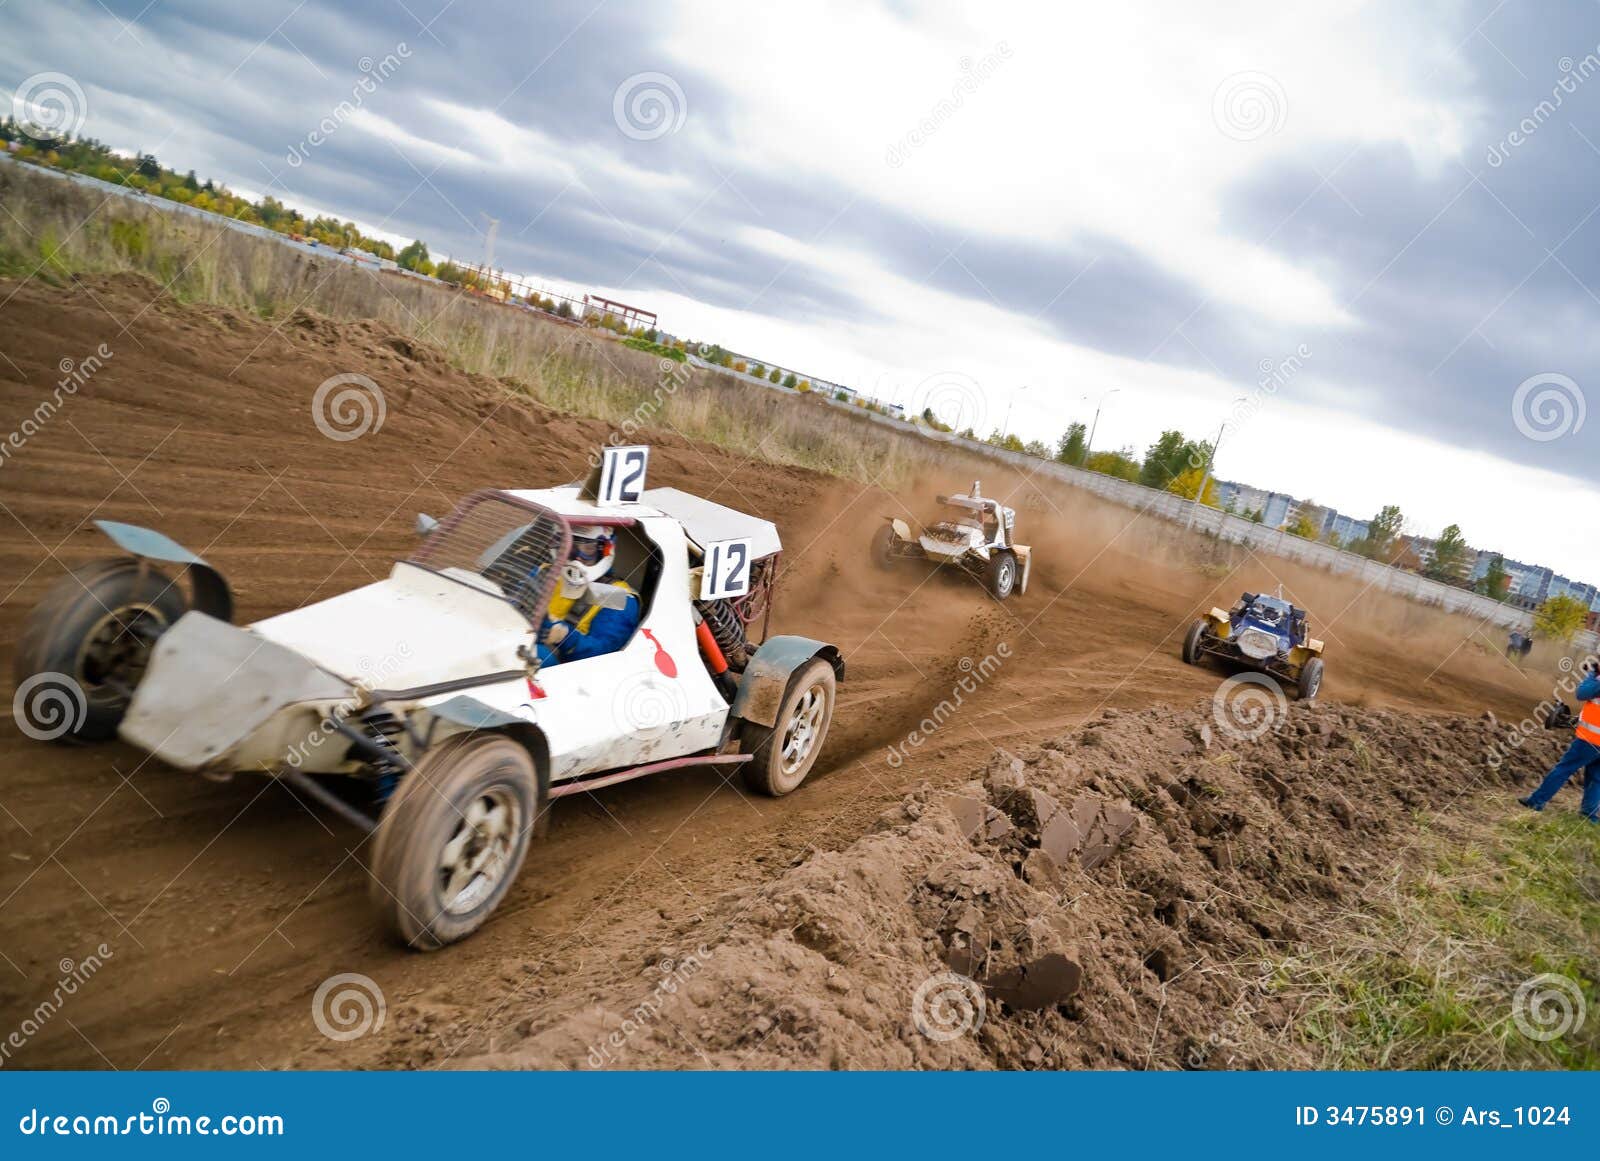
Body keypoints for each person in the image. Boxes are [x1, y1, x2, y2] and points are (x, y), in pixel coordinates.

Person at [535, 525, 640, 667]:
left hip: (567, 668)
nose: (577, 557)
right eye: (570, 548)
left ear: (605, 550)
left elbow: (602, 654)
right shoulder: (547, 572)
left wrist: (565, 637)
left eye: (588, 549)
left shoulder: (618, 595)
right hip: (525, 641)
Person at [1520, 661, 1600, 821]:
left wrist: (1592, 674)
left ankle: (1536, 801)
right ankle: (1589, 815)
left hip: (1591, 739)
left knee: (1564, 768)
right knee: (1596, 777)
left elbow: (1582, 693)